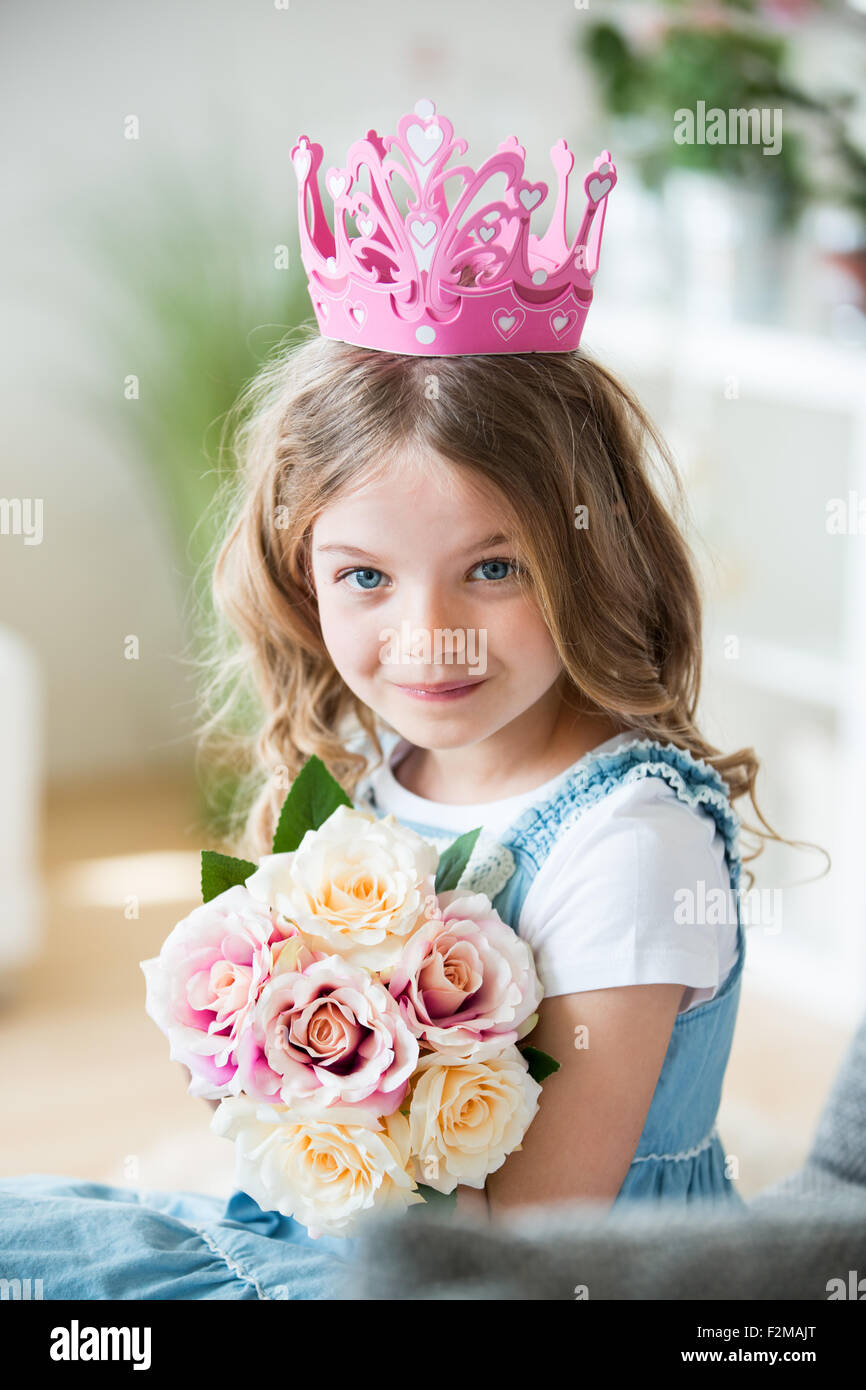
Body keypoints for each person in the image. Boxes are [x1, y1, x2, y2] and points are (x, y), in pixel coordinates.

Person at [0, 98, 816, 1299]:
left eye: (494, 569)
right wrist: (267, 1051)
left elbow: (524, 1260)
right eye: (364, 578)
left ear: (591, 553)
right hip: (349, 1240)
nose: (425, 637)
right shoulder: (399, 758)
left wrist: (335, 1081)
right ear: (299, 576)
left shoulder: (627, 843)